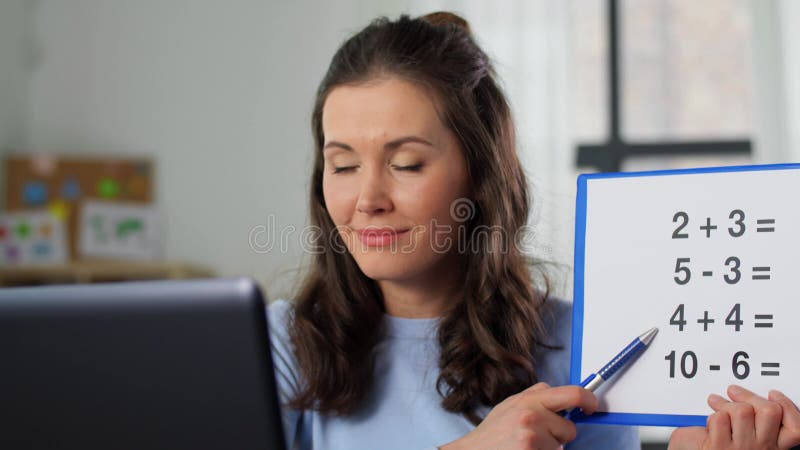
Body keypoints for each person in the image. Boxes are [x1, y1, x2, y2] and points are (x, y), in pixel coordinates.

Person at [267, 12, 800, 450]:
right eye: (342, 166)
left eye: (406, 164)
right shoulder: (283, 343)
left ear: (479, 176)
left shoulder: (577, 350)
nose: (367, 200)